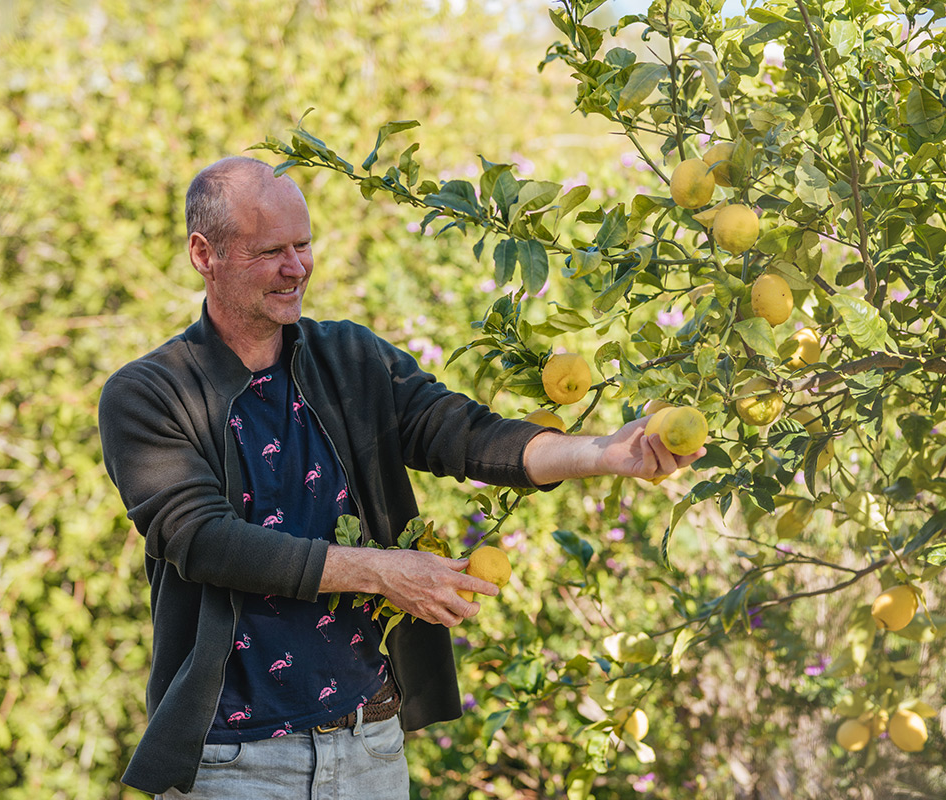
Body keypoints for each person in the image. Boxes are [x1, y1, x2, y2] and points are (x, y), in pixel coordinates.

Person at [98, 156, 699, 798]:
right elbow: (206, 541)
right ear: (203, 253)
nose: (296, 267)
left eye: (303, 245)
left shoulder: (351, 358)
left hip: (368, 745)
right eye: (271, 250)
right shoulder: (149, 394)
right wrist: (383, 570)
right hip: (233, 762)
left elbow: (464, 434)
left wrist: (603, 453)